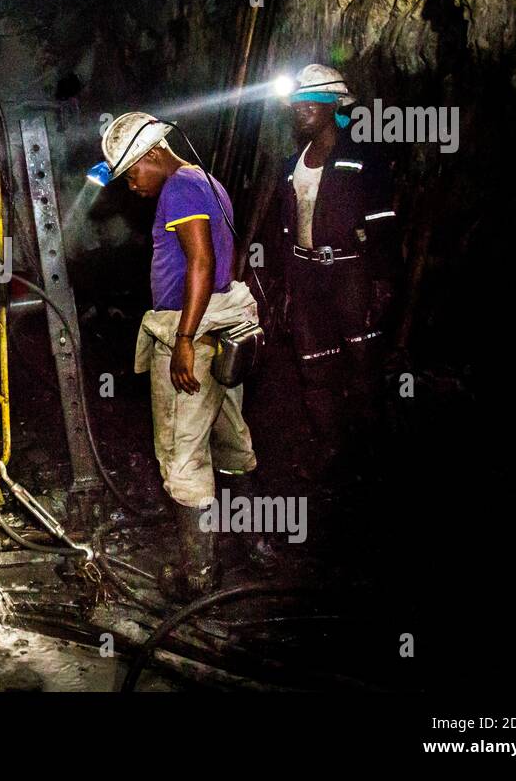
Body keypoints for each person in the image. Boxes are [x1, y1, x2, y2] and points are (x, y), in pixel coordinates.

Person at [97, 112, 261, 599]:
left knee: (181, 453)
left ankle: (199, 576)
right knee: (231, 439)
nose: (132, 186)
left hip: (195, 332)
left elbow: (202, 262)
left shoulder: (178, 190)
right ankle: (254, 545)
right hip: (225, 326)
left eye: (132, 173)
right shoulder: (206, 181)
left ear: (153, 154)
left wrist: (184, 339)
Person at [279, 65, 398, 476]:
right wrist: (286, 284)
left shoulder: (362, 156)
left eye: (310, 103)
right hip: (305, 271)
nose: (301, 111)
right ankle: (332, 447)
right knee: (313, 361)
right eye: (297, 105)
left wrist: (383, 278)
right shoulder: (291, 164)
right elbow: (285, 228)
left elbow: (382, 218)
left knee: (363, 359)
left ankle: (371, 451)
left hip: (351, 270)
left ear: (333, 106)